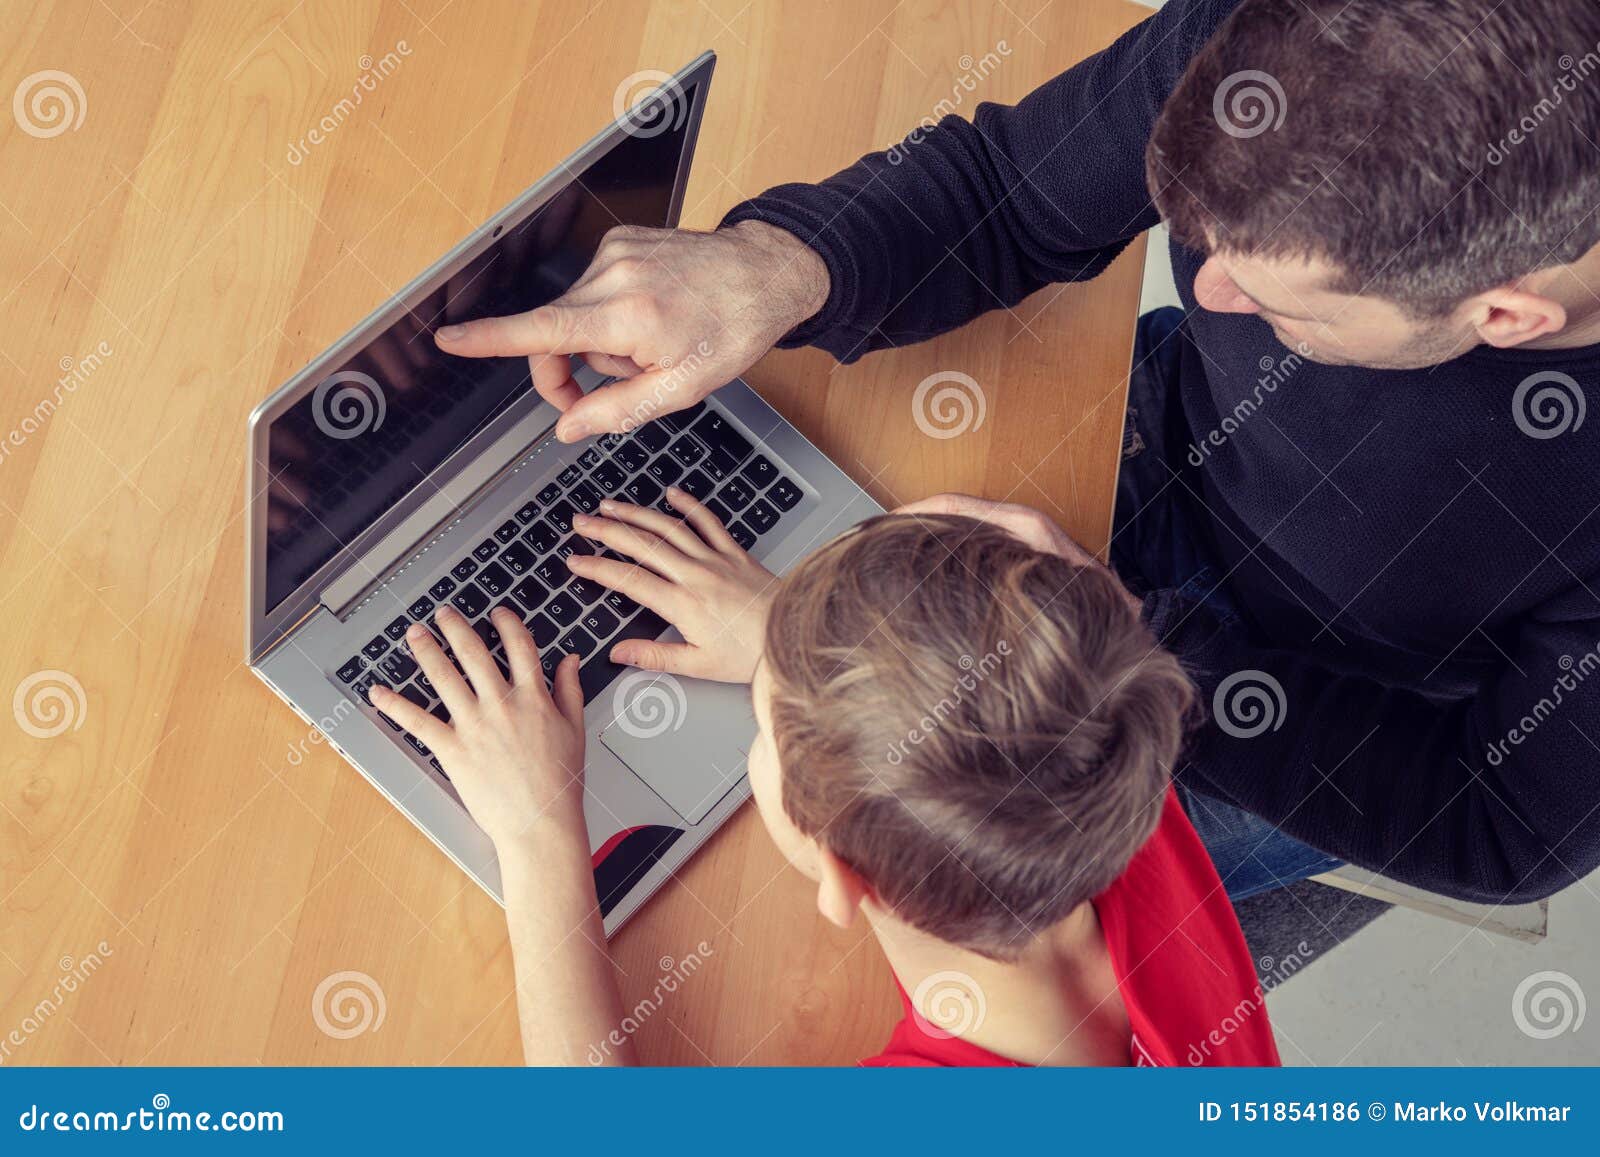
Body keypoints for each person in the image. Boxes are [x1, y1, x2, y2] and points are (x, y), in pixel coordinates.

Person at [428, 0, 1600, 905]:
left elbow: (1504, 820)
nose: (1210, 292)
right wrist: (780, 264)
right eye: (1201, 239)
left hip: (1276, 718)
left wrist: (1100, 649)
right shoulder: (1302, 41)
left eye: (1280, 301)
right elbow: (1014, 186)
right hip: (1124, 465)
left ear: (1505, 315)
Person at [368, 489, 1280, 1066]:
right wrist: (814, 653)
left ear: (845, 878)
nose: (758, 733)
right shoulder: (1112, 774)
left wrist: (536, 837)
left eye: (763, 732)